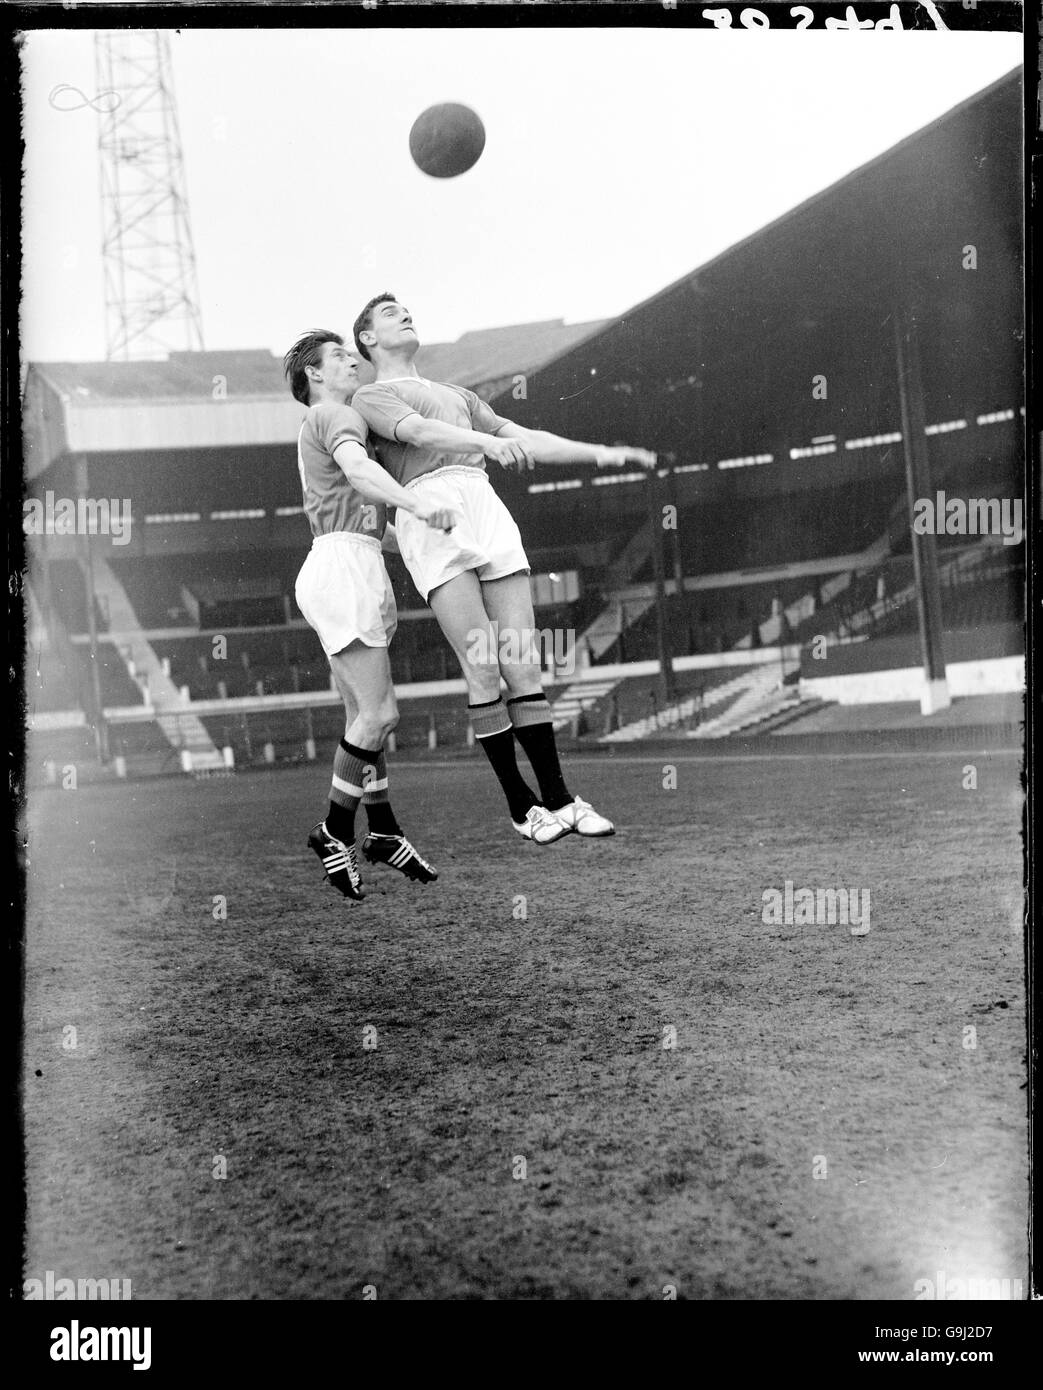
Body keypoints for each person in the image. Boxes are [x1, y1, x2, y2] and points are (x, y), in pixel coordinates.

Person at [350, 293, 657, 845]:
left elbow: (526, 439)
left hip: (483, 504)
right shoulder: (372, 395)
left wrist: (603, 453)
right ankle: (521, 806)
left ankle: (561, 799)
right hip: (432, 511)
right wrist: (488, 443)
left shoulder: (460, 396)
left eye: (406, 309)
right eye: (389, 314)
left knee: (523, 664)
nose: (405, 314)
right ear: (367, 339)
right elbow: (420, 435)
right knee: (483, 666)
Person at [283, 329, 467, 900]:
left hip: (353, 561)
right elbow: (362, 477)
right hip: (342, 568)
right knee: (380, 714)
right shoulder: (333, 417)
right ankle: (334, 832)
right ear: (314, 375)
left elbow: (371, 522)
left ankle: (383, 829)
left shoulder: (342, 420)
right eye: (338, 355)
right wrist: (417, 503)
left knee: (365, 718)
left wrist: (417, 533)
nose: (349, 360)